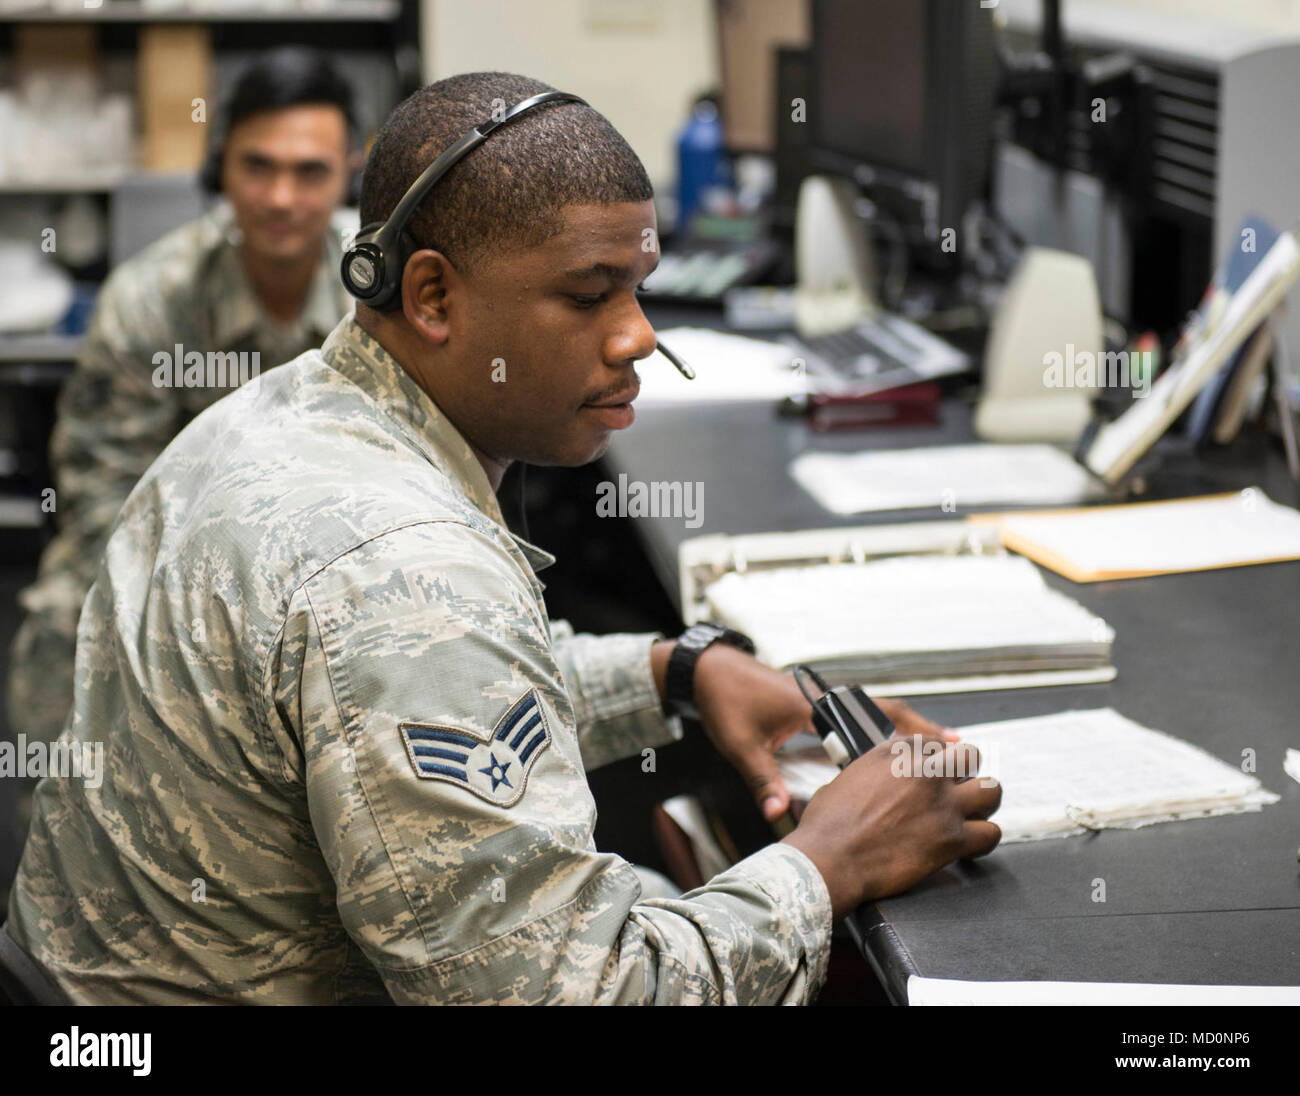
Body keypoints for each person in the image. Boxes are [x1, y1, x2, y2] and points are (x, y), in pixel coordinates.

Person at [2, 71, 1001, 1005]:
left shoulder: (294, 410)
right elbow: (565, 993)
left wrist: (673, 672)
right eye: (585, 294)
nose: (637, 334)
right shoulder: (401, 565)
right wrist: (827, 863)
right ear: (432, 296)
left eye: (636, 286)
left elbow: (389, 706)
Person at [4, 48, 356, 773]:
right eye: (258, 166)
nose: (281, 197)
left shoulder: (378, 291)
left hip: (334, 559)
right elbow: (106, 497)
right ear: (219, 166)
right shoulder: (151, 298)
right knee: (68, 630)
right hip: (163, 560)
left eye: (310, 171)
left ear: (348, 172)